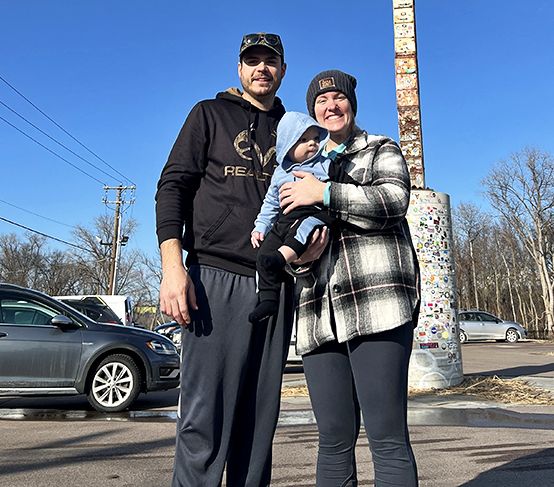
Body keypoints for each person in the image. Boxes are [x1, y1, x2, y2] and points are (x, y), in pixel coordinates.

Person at [155, 33, 327, 487]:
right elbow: (172, 188)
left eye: (271, 62)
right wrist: (173, 269)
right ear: (239, 69)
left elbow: (311, 199)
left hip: (276, 281)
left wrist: (306, 251)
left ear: (283, 70)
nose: (261, 69)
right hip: (215, 278)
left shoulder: (298, 131)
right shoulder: (208, 114)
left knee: (257, 424)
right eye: (252, 61)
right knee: (204, 419)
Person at [279, 69, 421, 487]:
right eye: (321, 102)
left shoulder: (380, 149)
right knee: (333, 439)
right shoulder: (298, 167)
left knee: (387, 436)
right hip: (318, 314)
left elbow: (394, 201)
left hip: (377, 305)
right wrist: (299, 261)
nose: (331, 106)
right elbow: (287, 239)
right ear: (312, 113)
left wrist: (324, 195)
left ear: (352, 105)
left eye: (338, 98)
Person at [249, 111, 337, 323]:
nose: (312, 144)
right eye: (304, 140)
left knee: (303, 229)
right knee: (265, 252)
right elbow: (270, 202)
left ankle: (281, 259)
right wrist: (260, 226)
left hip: (316, 214)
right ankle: (268, 298)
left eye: (316, 139)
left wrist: (326, 190)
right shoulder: (280, 173)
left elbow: (345, 185)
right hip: (285, 218)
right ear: (287, 145)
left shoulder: (325, 164)